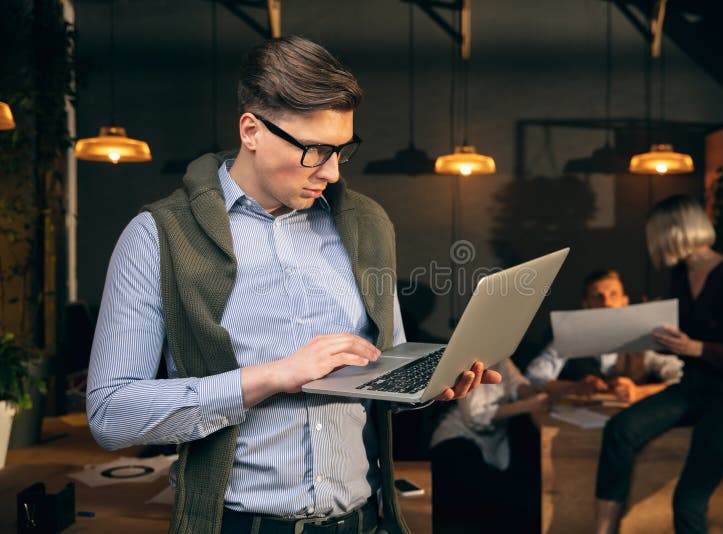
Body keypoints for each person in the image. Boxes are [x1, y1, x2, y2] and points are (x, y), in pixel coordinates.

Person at [86, 36, 500, 534]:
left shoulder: (367, 223)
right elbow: (110, 415)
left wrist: (431, 385)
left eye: (342, 151)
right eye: (314, 151)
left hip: (367, 521)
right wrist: (275, 375)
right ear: (251, 130)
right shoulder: (158, 237)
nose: (330, 171)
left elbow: (384, 365)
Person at [594, 195, 723, 534]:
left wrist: (696, 347)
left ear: (674, 231)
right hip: (694, 388)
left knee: (688, 500)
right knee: (619, 430)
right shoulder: (680, 276)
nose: (653, 243)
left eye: (655, 234)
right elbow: (684, 346)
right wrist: (655, 332)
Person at [526, 269, 683, 403]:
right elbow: (534, 376)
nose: (606, 303)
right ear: (586, 305)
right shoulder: (569, 338)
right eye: (597, 296)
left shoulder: (642, 342)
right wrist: (573, 387)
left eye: (613, 295)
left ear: (624, 302)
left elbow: (681, 376)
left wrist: (640, 391)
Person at [429, 358, 549, 533]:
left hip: (491, 451)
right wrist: (527, 406)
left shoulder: (504, 360)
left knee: (524, 499)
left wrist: (557, 389)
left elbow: (520, 386)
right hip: (455, 444)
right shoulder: (470, 360)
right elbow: (475, 416)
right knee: (510, 503)